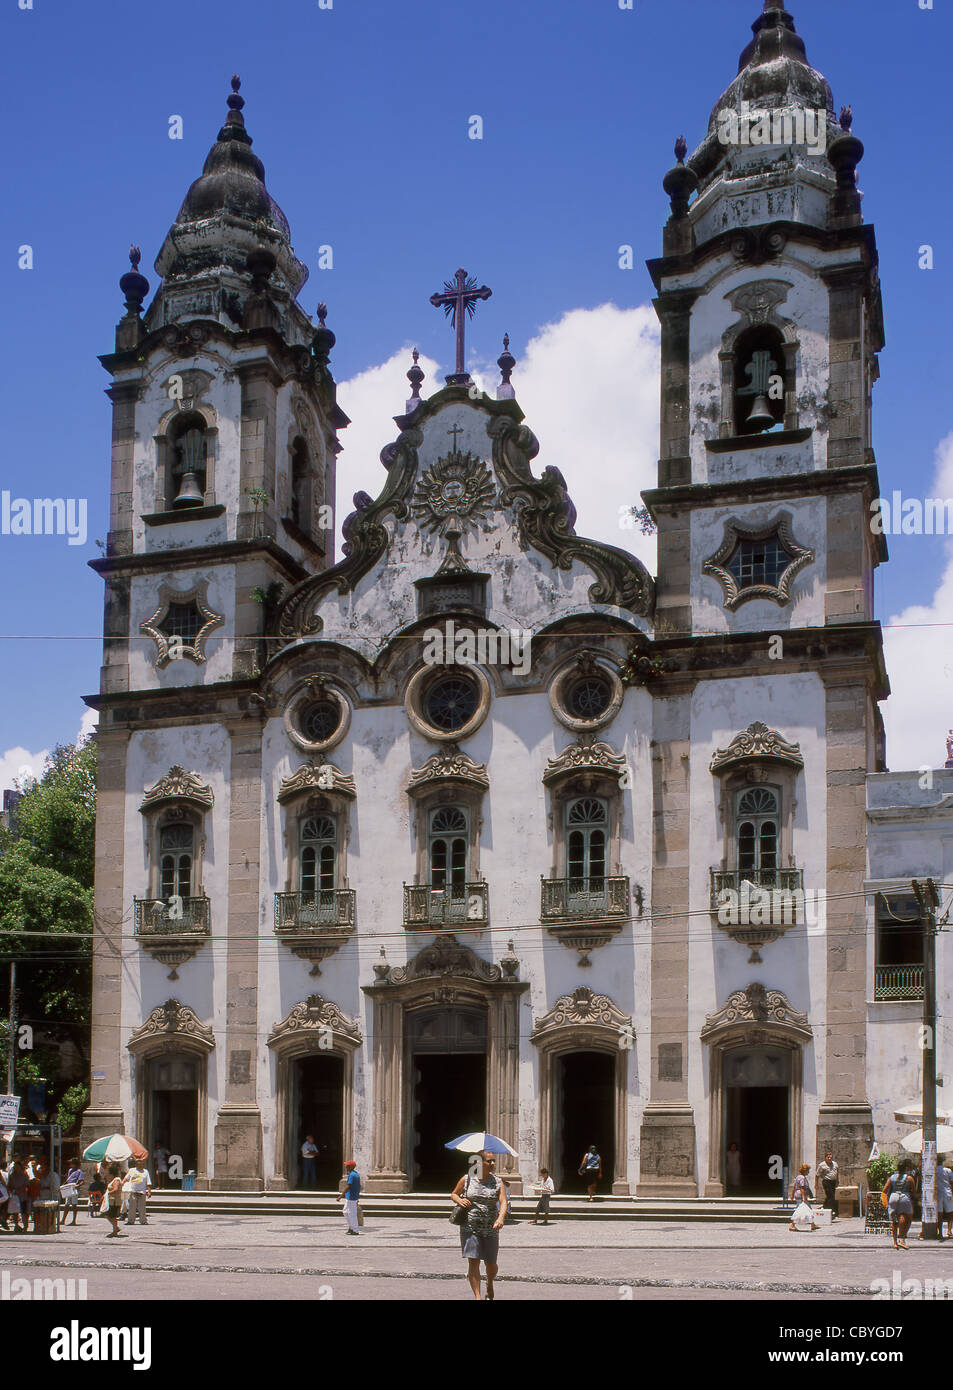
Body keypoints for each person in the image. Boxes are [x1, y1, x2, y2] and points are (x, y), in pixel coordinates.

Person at [451, 1149, 508, 1301]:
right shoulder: (467, 1179)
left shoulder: (498, 1182)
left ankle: (490, 1281)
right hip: (469, 1226)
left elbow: (503, 1202)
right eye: (489, 1161)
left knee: (491, 1264)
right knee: (473, 1260)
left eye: (493, 1160)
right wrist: (459, 1200)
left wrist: (501, 1218)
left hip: (491, 1227)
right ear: (479, 1162)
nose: (493, 1163)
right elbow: (454, 1194)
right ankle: (477, 1296)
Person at [883, 1159, 916, 1250]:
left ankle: (894, 1243)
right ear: (906, 1168)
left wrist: (885, 1203)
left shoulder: (892, 1177)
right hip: (904, 1197)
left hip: (893, 1197)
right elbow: (914, 1192)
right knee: (907, 1217)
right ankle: (902, 1238)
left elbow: (884, 1190)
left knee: (893, 1220)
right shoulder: (909, 1178)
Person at [789, 1163, 815, 1231]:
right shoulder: (802, 1178)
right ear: (804, 1171)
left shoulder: (798, 1177)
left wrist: (792, 1195)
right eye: (808, 1170)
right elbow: (802, 1188)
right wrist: (804, 1197)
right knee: (799, 1211)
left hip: (797, 1195)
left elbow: (794, 1186)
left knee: (808, 1209)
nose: (808, 1172)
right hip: (801, 1196)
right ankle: (792, 1225)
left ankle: (813, 1224)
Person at [338, 1159, 360, 1235]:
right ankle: (351, 1227)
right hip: (352, 1197)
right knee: (345, 1211)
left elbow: (348, 1186)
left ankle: (355, 1230)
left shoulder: (352, 1175)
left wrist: (340, 1196)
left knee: (352, 1213)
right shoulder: (356, 1174)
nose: (346, 1167)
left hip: (351, 1197)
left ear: (351, 1167)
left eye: (347, 1166)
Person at [815, 1150, 839, 1220]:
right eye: (828, 1157)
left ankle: (825, 1208)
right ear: (825, 1158)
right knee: (831, 1196)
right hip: (826, 1181)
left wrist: (837, 1180)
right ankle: (831, 1211)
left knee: (830, 1196)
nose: (829, 1159)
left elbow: (837, 1172)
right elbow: (817, 1175)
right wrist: (816, 1184)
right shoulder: (822, 1165)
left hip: (833, 1182)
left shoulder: (835, 1164)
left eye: (831, 1157)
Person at [103, 1163, 125, 1238]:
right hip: (112, 1200)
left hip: (114, 1201)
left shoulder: (116, 1180)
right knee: (109, 1215)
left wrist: (107, 1193)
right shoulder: (113, 1180)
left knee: (112, 1216)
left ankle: (115, 1230)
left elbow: (115, 1189)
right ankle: (115, 1228)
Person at [937, 1156, 953, 1240]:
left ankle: (940, 1232)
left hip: (938, 1193)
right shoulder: (948, 1170)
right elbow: (952, 1182)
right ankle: (949, 1230)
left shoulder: (934, 1170)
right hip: (947, 1192)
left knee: (939, 1214)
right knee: (950, 1212)